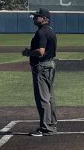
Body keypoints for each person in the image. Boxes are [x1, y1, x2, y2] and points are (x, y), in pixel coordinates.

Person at [24, 8, 59, 136]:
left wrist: (28, 52)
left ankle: (46, 128)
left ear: (44, 19)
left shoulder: (41, 32)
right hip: (50, 65)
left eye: (37, 16)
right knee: (49, 97)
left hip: (42, 66)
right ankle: (51, 123)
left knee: (43, 98)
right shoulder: (50, 30)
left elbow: (41, 52)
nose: (34, 18)